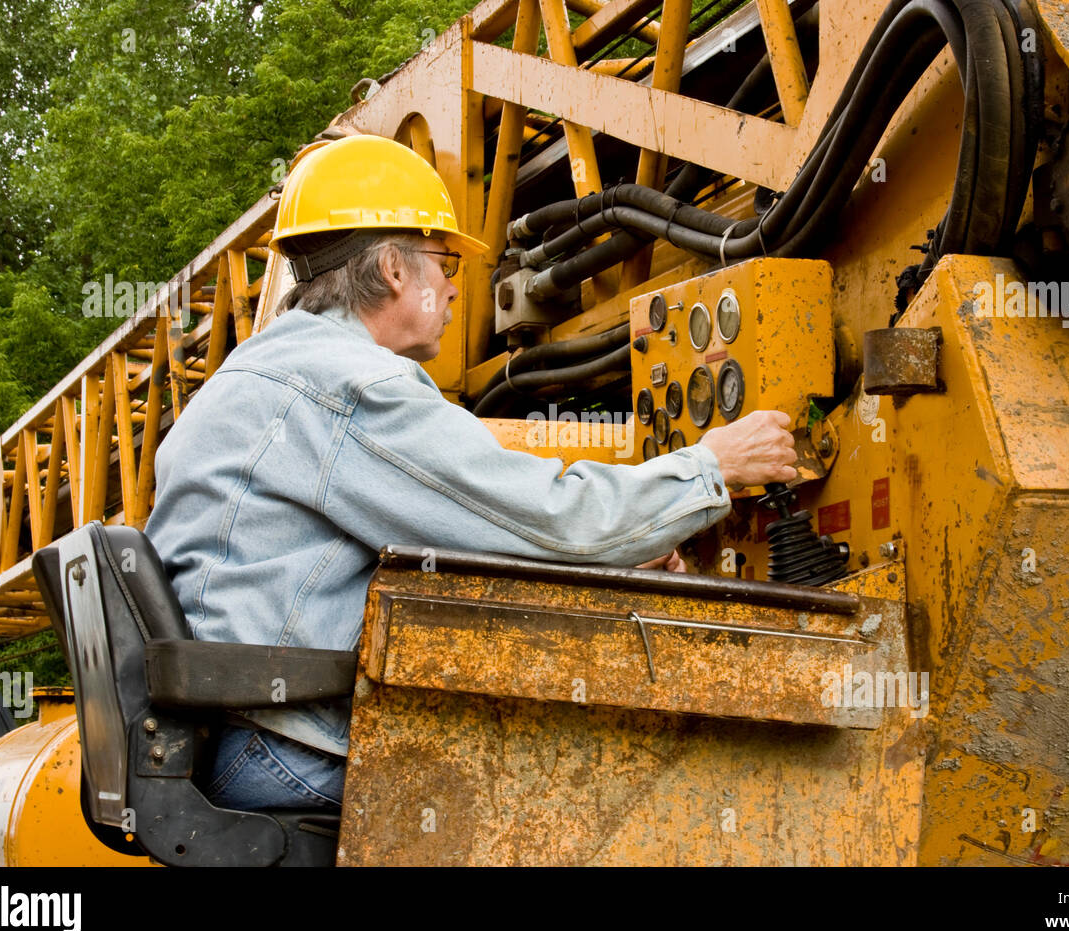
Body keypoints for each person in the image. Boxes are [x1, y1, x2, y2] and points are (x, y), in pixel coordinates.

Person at [143, 135, 799, 812]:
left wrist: (631, 540)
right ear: (395, 270)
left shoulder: (249, 377)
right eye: (445, 261)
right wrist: (710, 468)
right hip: (284, 748)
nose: (456, 286)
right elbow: (551, 522)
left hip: (232, 737)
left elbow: (456, 538)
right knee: (604, 788)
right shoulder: (353, 385)